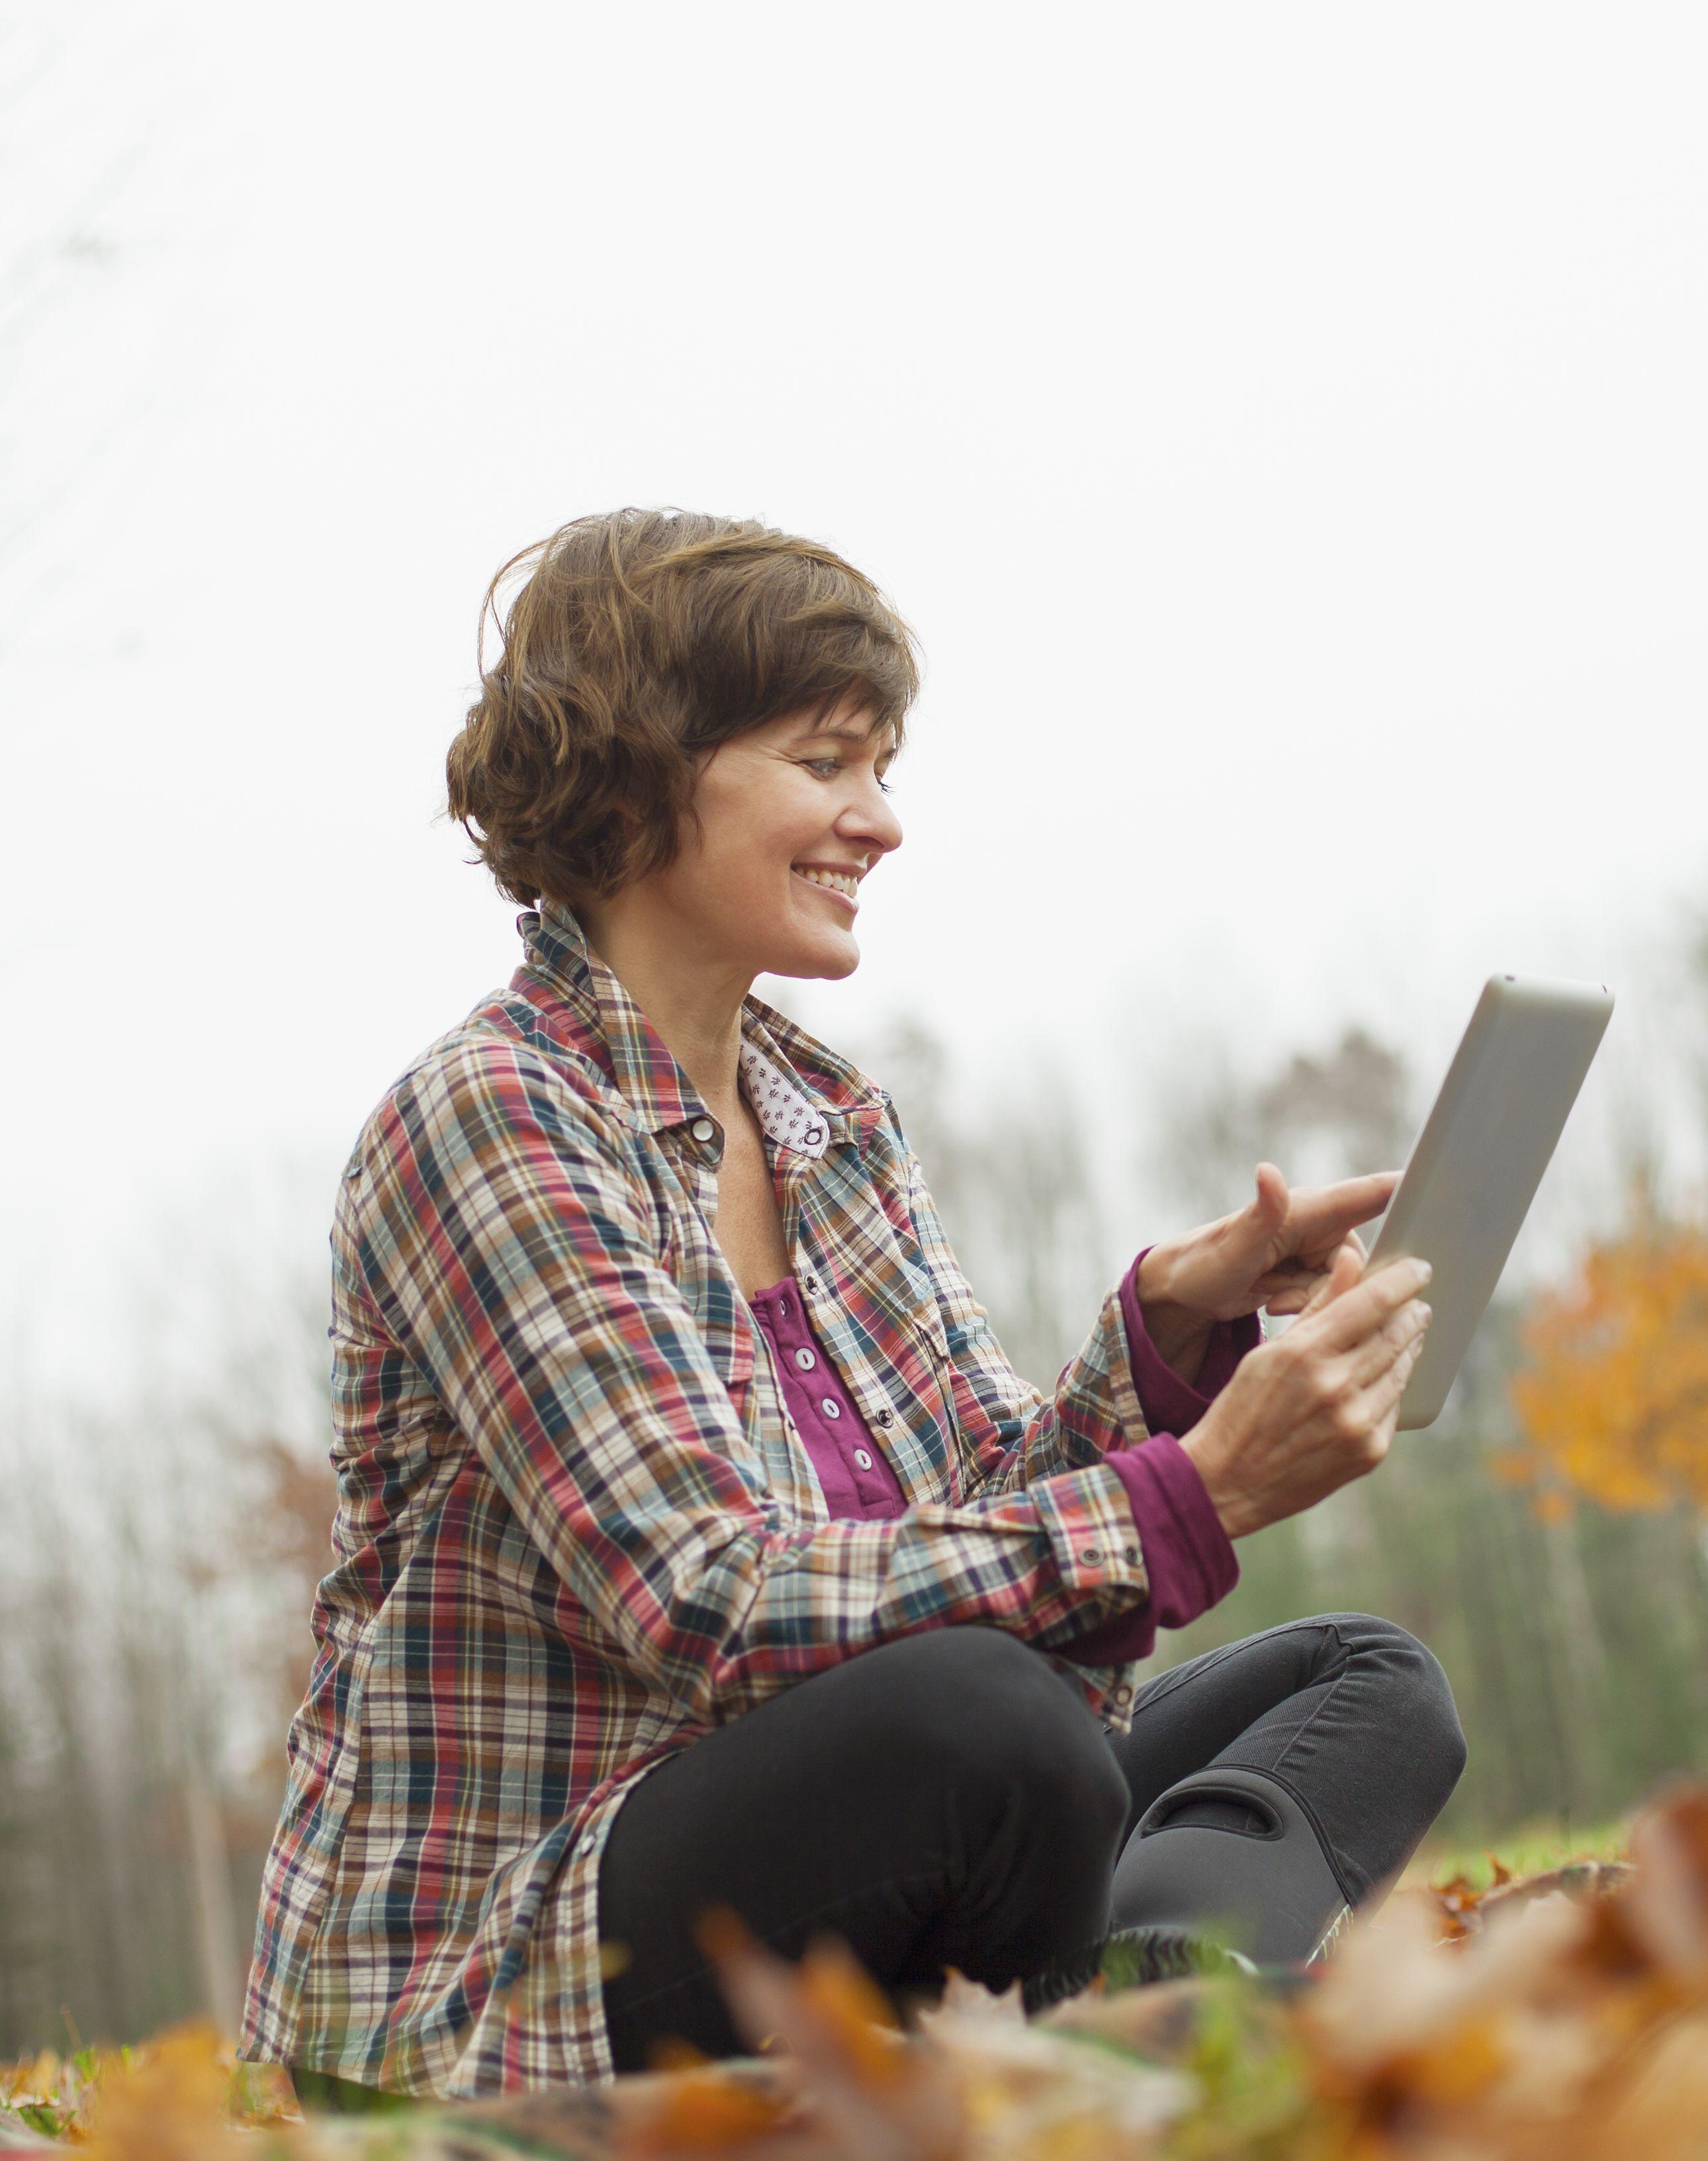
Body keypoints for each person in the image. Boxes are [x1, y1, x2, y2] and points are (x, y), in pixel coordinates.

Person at [241, 510, 1464, 2103]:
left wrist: (1163, 1339)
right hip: (514, 1953)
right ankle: (1128, 2007)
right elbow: (710, 1598)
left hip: (876, 1814)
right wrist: (1198, 1493)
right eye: (829, 764)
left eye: (881, 768)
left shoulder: (826, 1118)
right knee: (991, 1732)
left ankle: (1155, 1999)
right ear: (641, 768)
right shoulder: (491, 1117)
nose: (878, 822)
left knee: (1364, 1681)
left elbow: (972, 1529)